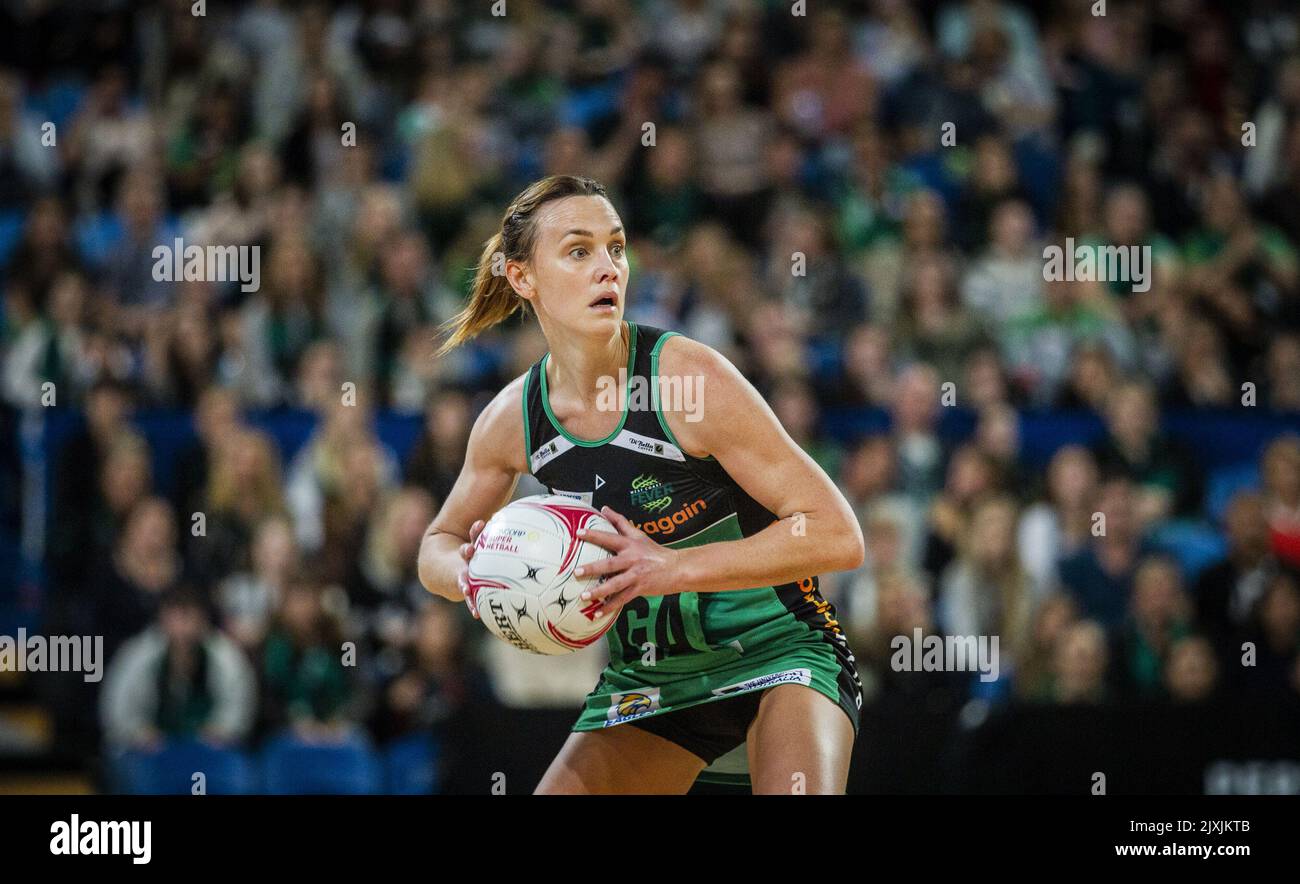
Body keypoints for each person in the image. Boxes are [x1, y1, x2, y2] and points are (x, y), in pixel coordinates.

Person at [417, 175, 864, 794]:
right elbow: (433, 546)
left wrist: (672, 568)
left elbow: (839, 534)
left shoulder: (689, 380)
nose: (608, 268)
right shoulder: (511, 420)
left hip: (780, 653)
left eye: (616, 248)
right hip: (650, 682)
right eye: (579, 251)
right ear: (523, 278)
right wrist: (473, 573)